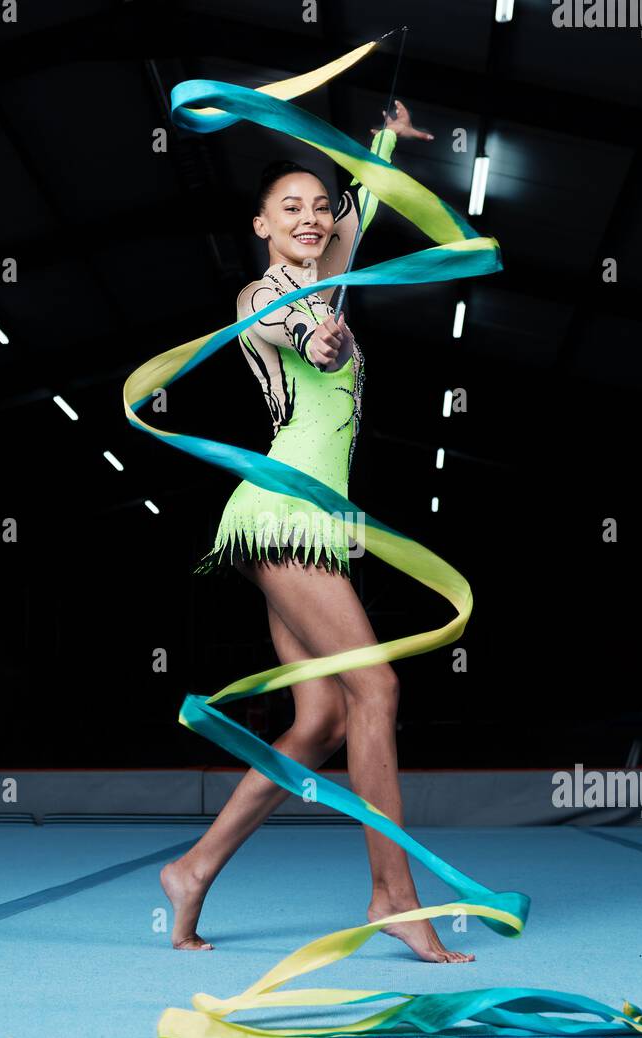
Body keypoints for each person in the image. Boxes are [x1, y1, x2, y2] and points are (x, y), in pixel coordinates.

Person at [160, 101, 472, 963]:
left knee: (319, 719)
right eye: (289, 207)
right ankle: (393, 894)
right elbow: (299, 333)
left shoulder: (329, 274)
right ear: (260, 224)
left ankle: (193, 868)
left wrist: (380, 143)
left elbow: (364, 207)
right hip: (282, 511)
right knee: (379, 690)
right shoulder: (264, 295)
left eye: (318, 206)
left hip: (313, 519)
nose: (310, 216)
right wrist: (323, 342)